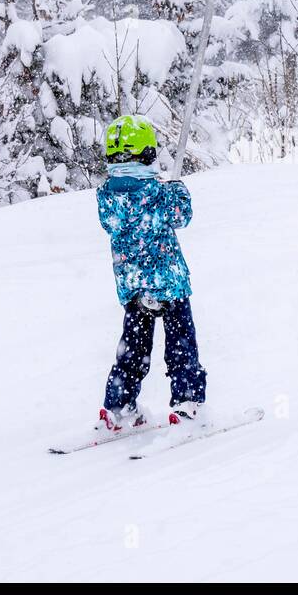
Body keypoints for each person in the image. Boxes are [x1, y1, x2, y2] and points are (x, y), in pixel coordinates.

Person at [94, 114, 207, 432]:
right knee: (181, 343)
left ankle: (119, 406)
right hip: (168, 282)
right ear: (148, 155)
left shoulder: (107, 197)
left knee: (133, 348)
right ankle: (187, 404)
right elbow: (181, 215)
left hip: (133, 287)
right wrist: (178, 190)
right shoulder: (159, 194)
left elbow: (112, 224)